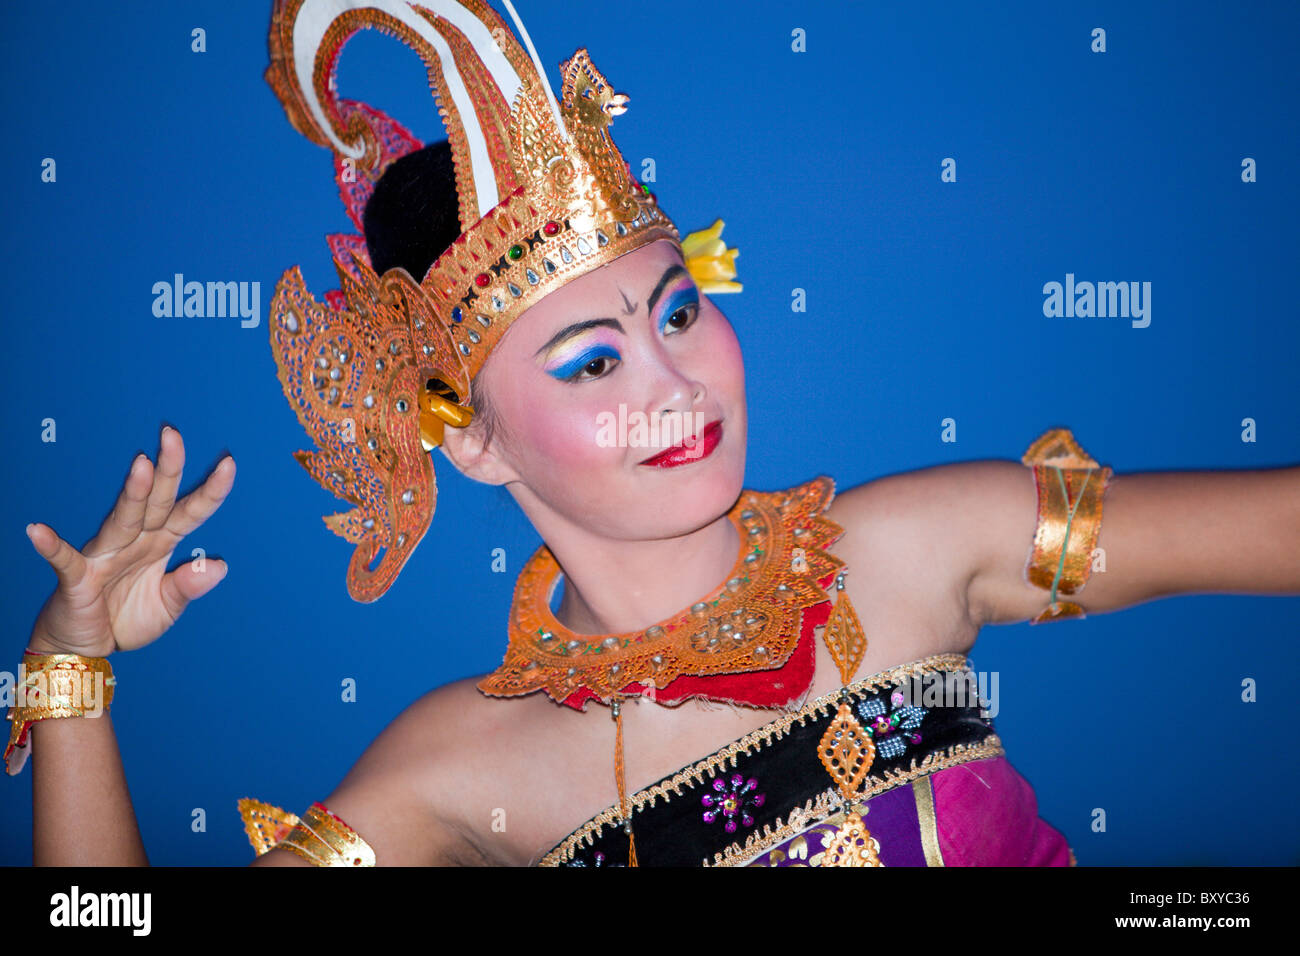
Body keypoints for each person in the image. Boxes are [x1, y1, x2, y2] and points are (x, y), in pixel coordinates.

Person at [11, 0, 1298, 868]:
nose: (676, 383)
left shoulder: (918, 547)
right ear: (471, 442)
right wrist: (67, 680)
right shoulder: (452, 763)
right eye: (590, 358)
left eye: (678, 308)